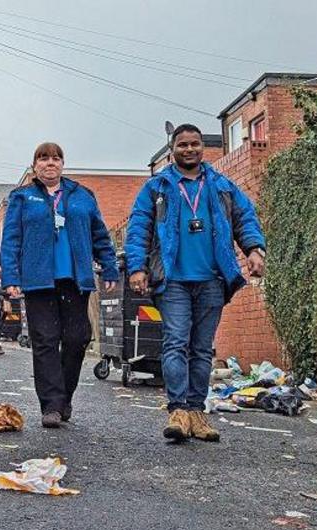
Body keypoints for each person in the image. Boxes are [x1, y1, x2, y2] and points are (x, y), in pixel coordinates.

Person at [124, 124, 266, 442]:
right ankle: (178, 411)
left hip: (212, 279)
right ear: (172, 150)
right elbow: (139, 229)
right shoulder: (157, 188)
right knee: (176, 342)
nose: (189, 149)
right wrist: (137, 268)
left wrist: (254, 249)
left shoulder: (221, 186)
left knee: (202, 349)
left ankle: (197, 412)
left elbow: (245, 217)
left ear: (203, 148)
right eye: (183, 145)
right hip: (172, 280)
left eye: (195, 144)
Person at [1, 142, 120, 428]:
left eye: (55, 158)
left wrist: (110, 266)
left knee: (78, 338)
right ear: (35, 166)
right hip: (38, 282)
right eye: (43, 158)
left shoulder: (82, 196)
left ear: (62, 164)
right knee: (45, 340)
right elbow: (11, 240)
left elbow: (100, 235)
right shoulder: (22, 197)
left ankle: (64, 396)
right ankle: (52, 405)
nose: (50, 163)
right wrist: (11, 278)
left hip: (74, 280)